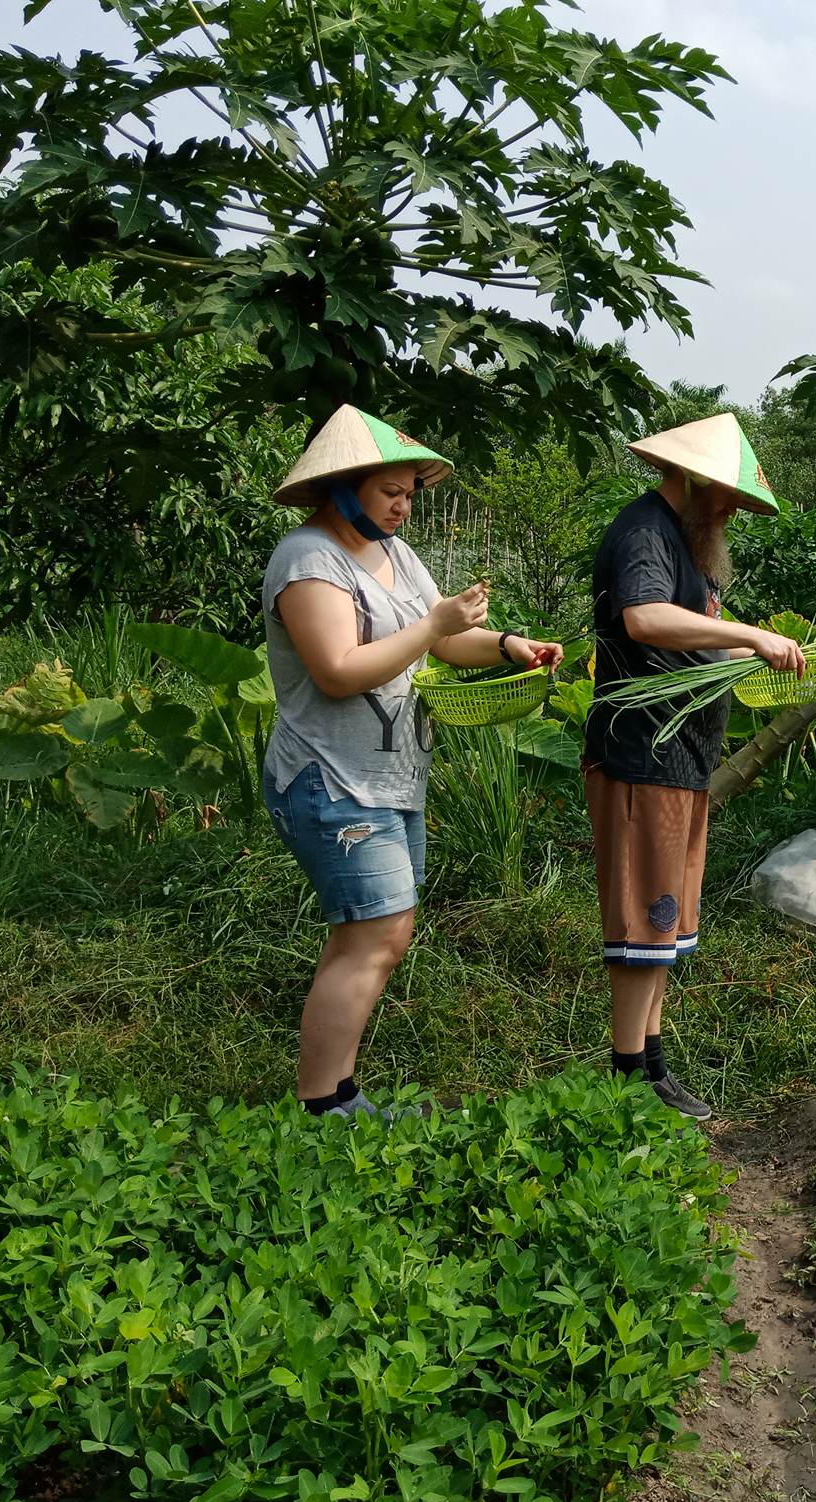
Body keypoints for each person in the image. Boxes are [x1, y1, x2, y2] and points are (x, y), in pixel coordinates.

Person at [263, 404, 563, 1119]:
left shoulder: (394, 554)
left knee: (381, 933)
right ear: (344, 488)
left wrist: (507, 645)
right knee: (373, 933)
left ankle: (336, 1093)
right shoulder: (307, 559)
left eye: (410, 493)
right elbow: (338, 670)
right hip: (329, 776)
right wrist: (434, 624)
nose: (403, 506)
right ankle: (322, 1104)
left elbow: (447, 642)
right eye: (389, 492)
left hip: (390, 777)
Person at [586, 413, 802, 1121]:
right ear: (696, 479)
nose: (733, 510)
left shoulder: (686, 542)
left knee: (665, 923)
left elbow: (696, 641)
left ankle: (651, 1063)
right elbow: (644, 620)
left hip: (682, 760)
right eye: (729, 496)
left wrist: (762, 652)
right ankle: (627, 1079)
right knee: (641, 923)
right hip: (640, 753)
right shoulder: (645, 531)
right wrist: (751, 634)